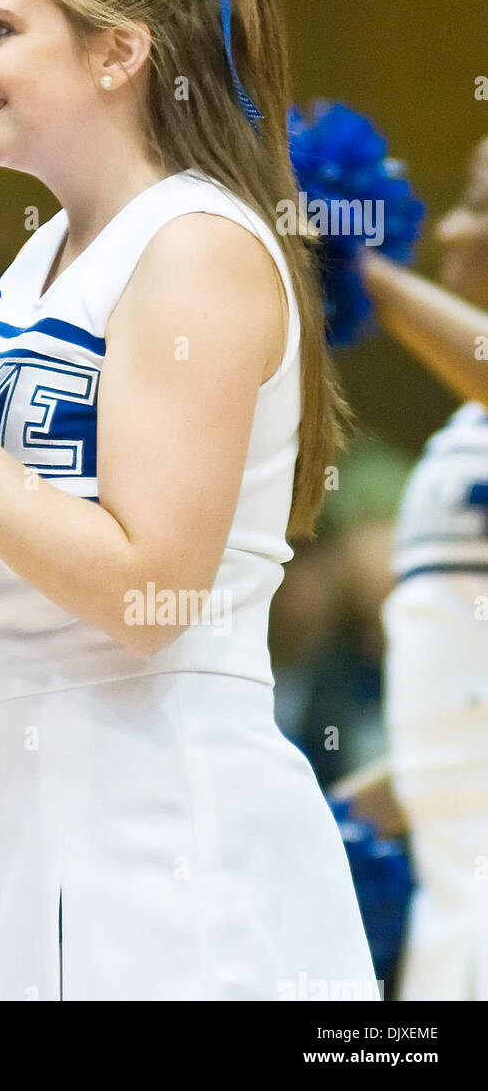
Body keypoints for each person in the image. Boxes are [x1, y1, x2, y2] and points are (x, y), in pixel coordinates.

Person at [0, 0, 378, 1000]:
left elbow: (143, 593)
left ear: (118, 50)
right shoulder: (38, 264)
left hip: (180, 858)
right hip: (43, 864)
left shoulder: (196, 249)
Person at [333, 138, 488, 998]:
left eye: (476, 202)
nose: (450, 230)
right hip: (452, 913)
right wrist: (325, 825)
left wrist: (367, 276)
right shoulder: (460, 432)